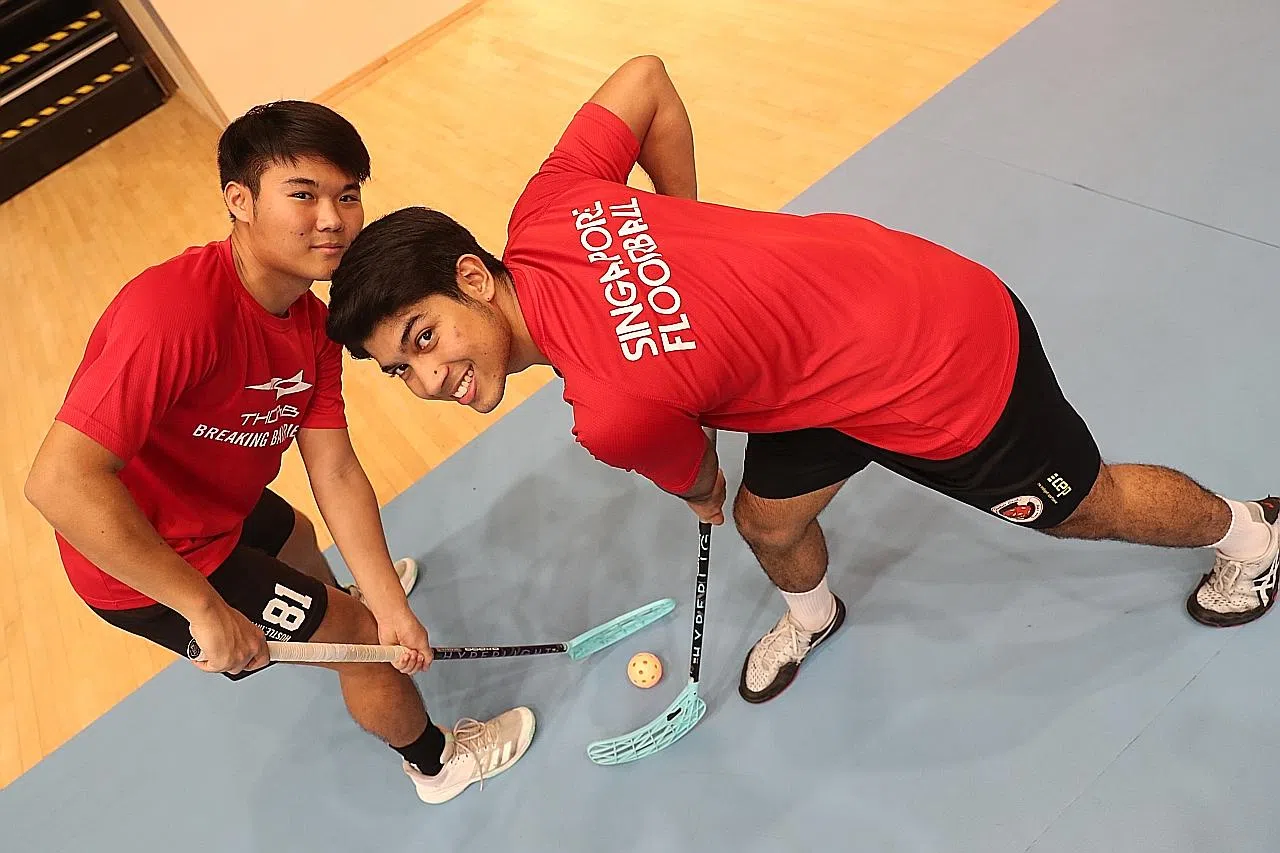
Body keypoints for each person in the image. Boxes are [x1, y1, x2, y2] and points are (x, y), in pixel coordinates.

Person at [323, 56, 1278, 706]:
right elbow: (646, 79)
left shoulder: (610, 410)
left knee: (1086, 503)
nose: (431, 375)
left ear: (473, 278)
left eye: (424, 336)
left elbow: (698, 478)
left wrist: (694, 489)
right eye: (399, 369)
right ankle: (813, 613)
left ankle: (1253, 531)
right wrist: (676, 229)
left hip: (941, 361)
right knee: (769, 520)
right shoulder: (548, 207)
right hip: (833, 341)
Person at [24, 100, 534, 803]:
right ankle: (437, 764)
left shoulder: (311, 319)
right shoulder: (174, 314)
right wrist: (200, 607)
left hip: (211, 504)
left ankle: (337, 602)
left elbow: (334, 465)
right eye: (303, 194)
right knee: (357, 639)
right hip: (150, 558)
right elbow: (58, 483)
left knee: (294, 531)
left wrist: (389, 599)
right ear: (239, 200)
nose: (332, 218)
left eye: (347, 194)